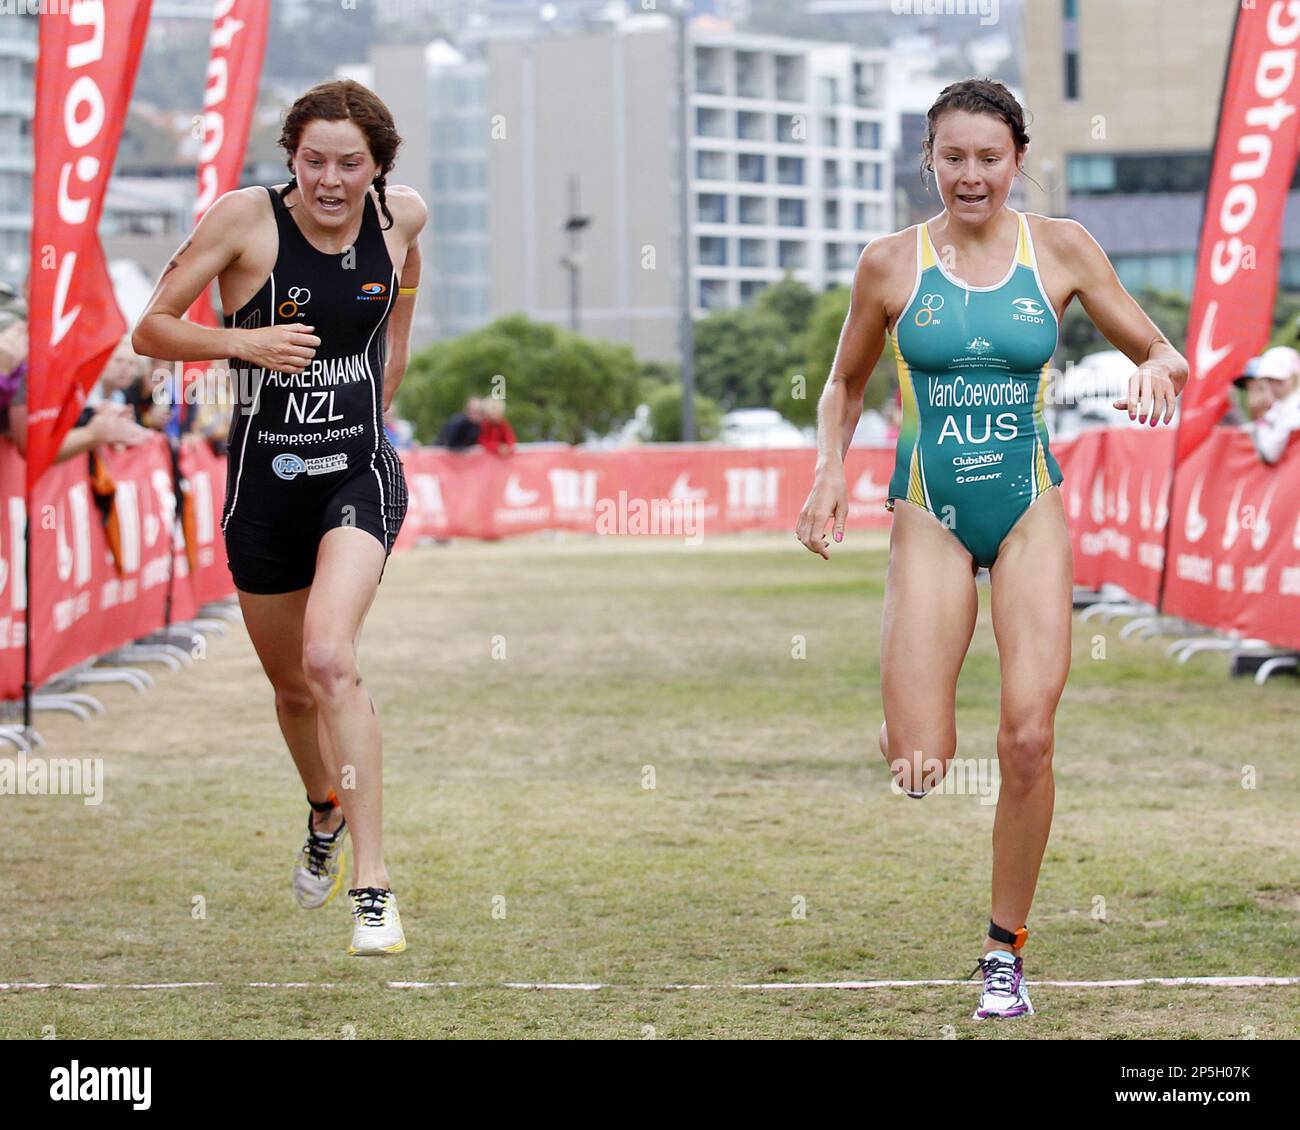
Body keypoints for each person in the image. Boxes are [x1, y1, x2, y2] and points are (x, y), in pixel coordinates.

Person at [795, 78, 1188, 1020]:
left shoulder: (1061, 248)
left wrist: (1164, 369)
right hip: (929, 508)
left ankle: (1004, 951)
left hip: (1028, 506)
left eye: (990, 157)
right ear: (929, 160)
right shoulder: (890, 264)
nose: (971, 175)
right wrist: (829, 468)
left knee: (1031, 734)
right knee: (922, 765)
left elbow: (1157, 349)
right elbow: (844, 385)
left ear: (1019, 160)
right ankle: (903, 724)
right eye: (953, 157)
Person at [132, 78, 428, 956]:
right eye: (312, 161)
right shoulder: (244, 220)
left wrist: (380, 401)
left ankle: (373, 887)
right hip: (263, 484)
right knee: (292, 686)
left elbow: (400, 311)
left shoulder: (402, 218)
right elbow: (151, 329)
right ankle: (323, 807)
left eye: (350, 164)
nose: (329, 181)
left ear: (379, 167)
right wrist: (242, 344)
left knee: (331, 657)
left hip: (358, 472)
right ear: (290, 157)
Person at [1243, 346, 1300, 464]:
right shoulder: (1278, 408)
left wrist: (1261, 419)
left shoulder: (1292, 407)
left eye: (1279, 380)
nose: (1274, 386)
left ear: (1294, 376)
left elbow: (1271, 453)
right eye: (1269, 380)